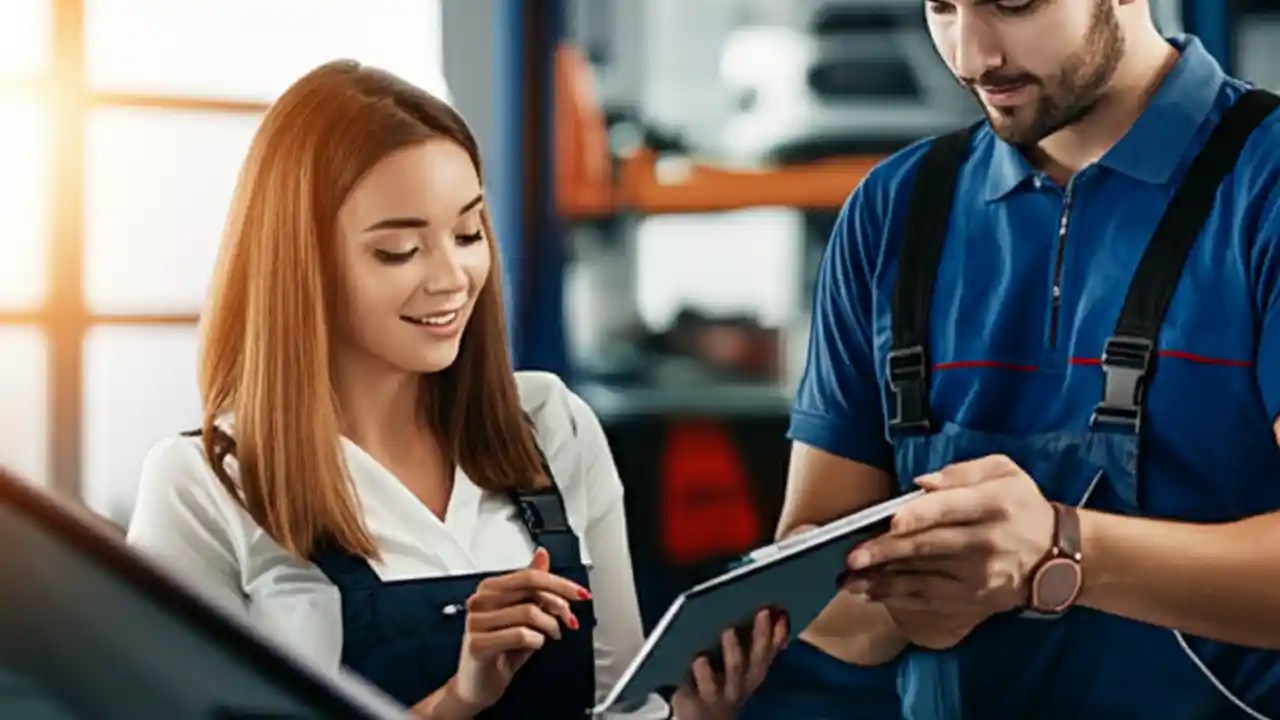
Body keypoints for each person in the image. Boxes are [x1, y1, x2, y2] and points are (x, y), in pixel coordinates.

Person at [126, 60, 788, 719]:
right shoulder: (208, 484)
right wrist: (456, 701)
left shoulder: (551, 426)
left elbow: (621, 709)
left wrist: (696, 715)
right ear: (302, 266)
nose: (453, 278)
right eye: (399, 251)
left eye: (468, 234)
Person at [743, 1, 1280, 719]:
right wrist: (913, 599)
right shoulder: (892, 211)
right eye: (942, 6)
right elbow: (816, 578)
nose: (972, 55)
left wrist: (1059, 553)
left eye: (1014, 3)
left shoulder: (1265, 189)